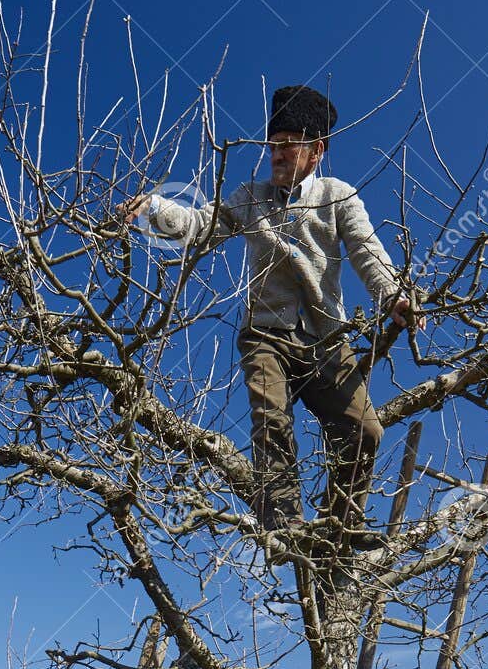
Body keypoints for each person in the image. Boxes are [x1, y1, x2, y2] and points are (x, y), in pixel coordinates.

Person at [122, 83, 420, 533]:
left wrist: (394, 294)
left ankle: (340, 528)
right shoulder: (250, 196)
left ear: (316, 150)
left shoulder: (339, 196)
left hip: (326, 340)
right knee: (273, 425)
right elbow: (202, 225)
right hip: (266, 334)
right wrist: (155, 209)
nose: (276, 156)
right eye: (271, 147)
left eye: (287, 147)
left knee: (365, 432)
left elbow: (365, 249)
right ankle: (283, 528)